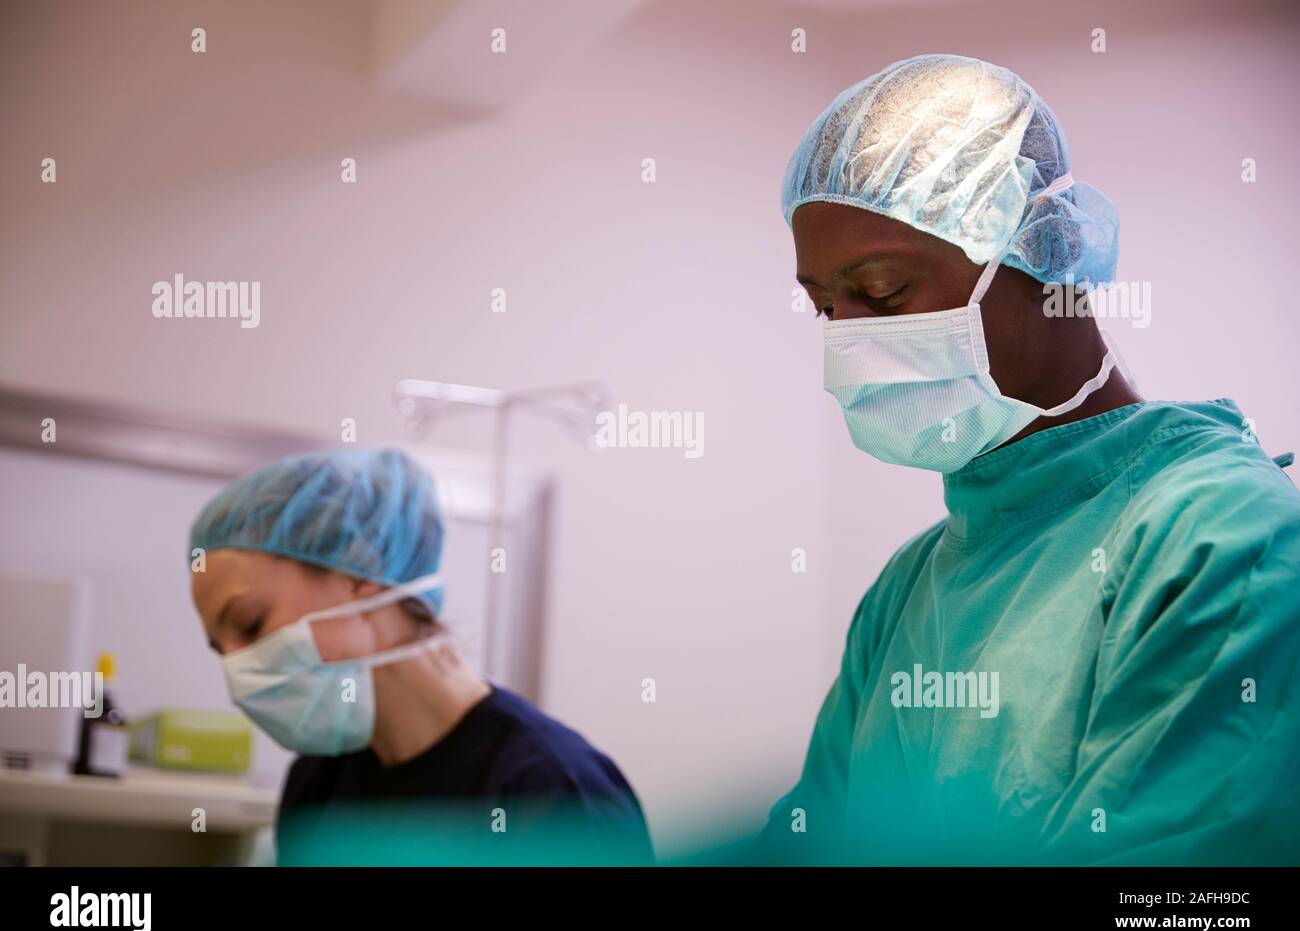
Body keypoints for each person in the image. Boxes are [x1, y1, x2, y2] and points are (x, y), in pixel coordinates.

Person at [759, 53, 1300, 865]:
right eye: (824, 307)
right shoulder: (913, 589)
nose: (847, 340)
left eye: (880, 291)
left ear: (1040, 255)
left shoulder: (1223, 543)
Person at [189, 446, 652, 865]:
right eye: (219, 649)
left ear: (361, 567)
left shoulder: (549, 788)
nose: (235, 669)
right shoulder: (319, 784)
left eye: (250, 624)